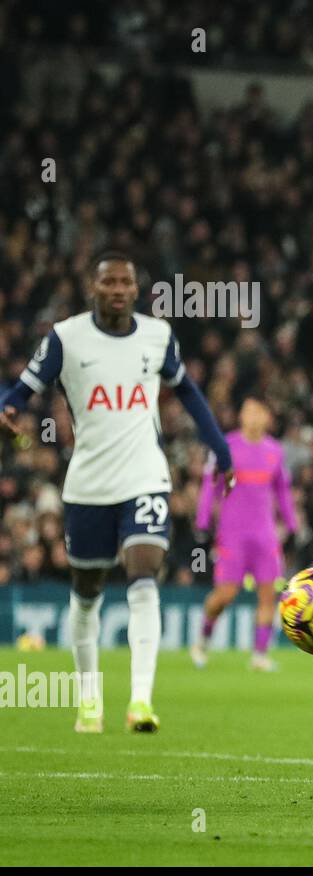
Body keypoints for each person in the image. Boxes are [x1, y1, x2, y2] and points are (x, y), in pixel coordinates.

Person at [0, 251, 232, 732]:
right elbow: (21, 391)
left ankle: (141, 702)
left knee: (144, 576)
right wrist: (7, 410)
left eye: (126, 281)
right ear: (94, 286)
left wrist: (220, 450)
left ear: (136, 288)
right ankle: (89, 700)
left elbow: (187, 391)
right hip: (88, 484)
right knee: (87, 592)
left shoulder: (158, 335)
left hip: (145, 476)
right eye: (109, 281)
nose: (119, 289)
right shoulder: (66, 338)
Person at [192, 396, 299, 671]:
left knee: (268, 594)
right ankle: (203, 639)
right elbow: (210, 486)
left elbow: (283, 492)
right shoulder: (225, 446)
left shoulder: (275, 451)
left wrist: (292, 525)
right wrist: (203, 522)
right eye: (247, 411)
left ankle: (260, 655)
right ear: (241, 416)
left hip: (265, 536)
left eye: (257, 412)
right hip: (232, 535)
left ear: (267, 418)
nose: (251, 417)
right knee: (225, 594)